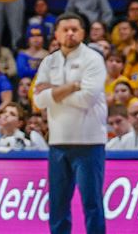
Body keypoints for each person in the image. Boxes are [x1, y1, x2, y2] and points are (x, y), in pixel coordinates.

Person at [32, 12, 108, 234]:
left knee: (92, 203)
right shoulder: (49, 61)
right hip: (58, 143)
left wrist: (53, 93)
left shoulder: (93, 59)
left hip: (89, 142)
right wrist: (72, 86)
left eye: (75, 29)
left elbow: (87, 99)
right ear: (56, 34)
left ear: (83, 33)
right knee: (58, 204)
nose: (70, 33)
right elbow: (38, 101)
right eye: (65, 30)